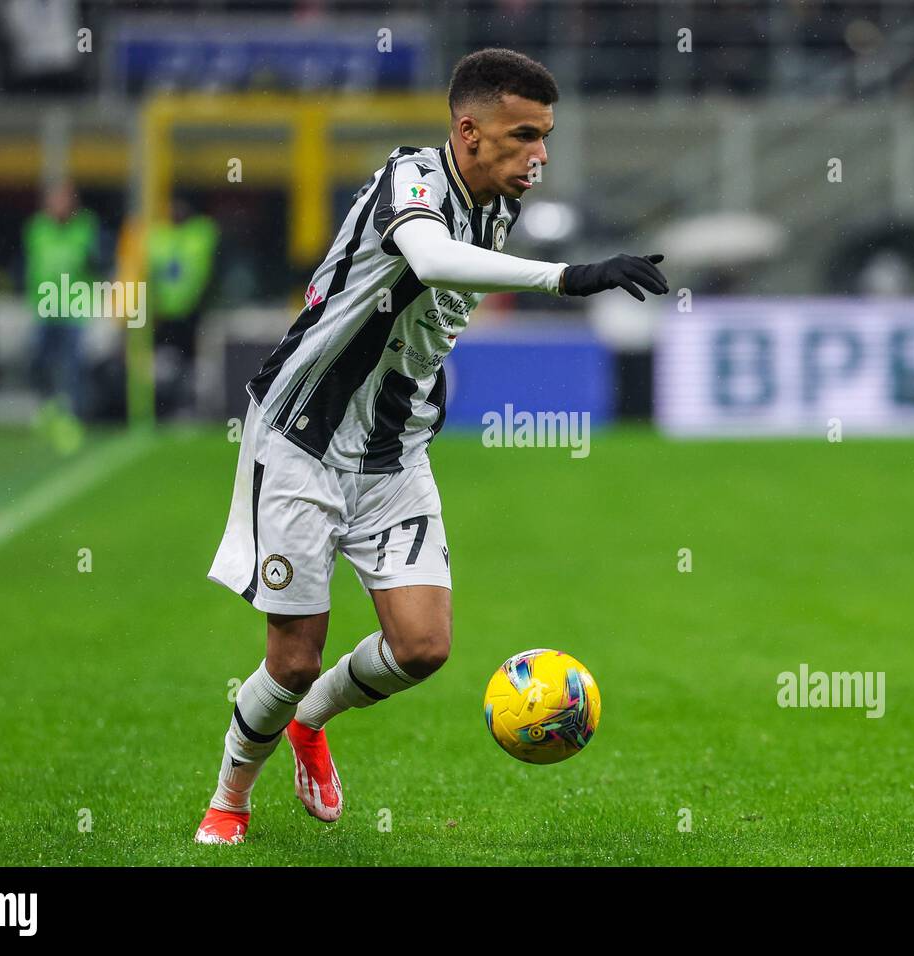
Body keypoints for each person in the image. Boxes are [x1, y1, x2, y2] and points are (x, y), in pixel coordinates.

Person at [195, 47, 668, 845]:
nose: (540, 156)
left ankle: (310, 724)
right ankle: (230, 798)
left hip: (393, 450)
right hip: (305, 436)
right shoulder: (410, 180)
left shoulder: (497, 203)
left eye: (546, 136)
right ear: (469, 130)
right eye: (524, 136)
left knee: (422, 647)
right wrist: (566, 277)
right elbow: (429, 257)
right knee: (293, 658)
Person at [24, 181, 99, 418]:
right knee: (41, 364)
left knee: (73, 366)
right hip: (44, 308)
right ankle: (47, 411)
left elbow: (95, 261)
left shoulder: (85, 227)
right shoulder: (37, 228)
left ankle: (76, 414)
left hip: (74, 310)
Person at [147, 196, 219, 418]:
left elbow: (209, 270)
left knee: (193, 366)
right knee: (165, 364)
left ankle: (190, 408)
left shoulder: (201, 233)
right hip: (164, 314)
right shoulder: (158, 236)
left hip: (193, 313)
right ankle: (165, 408)